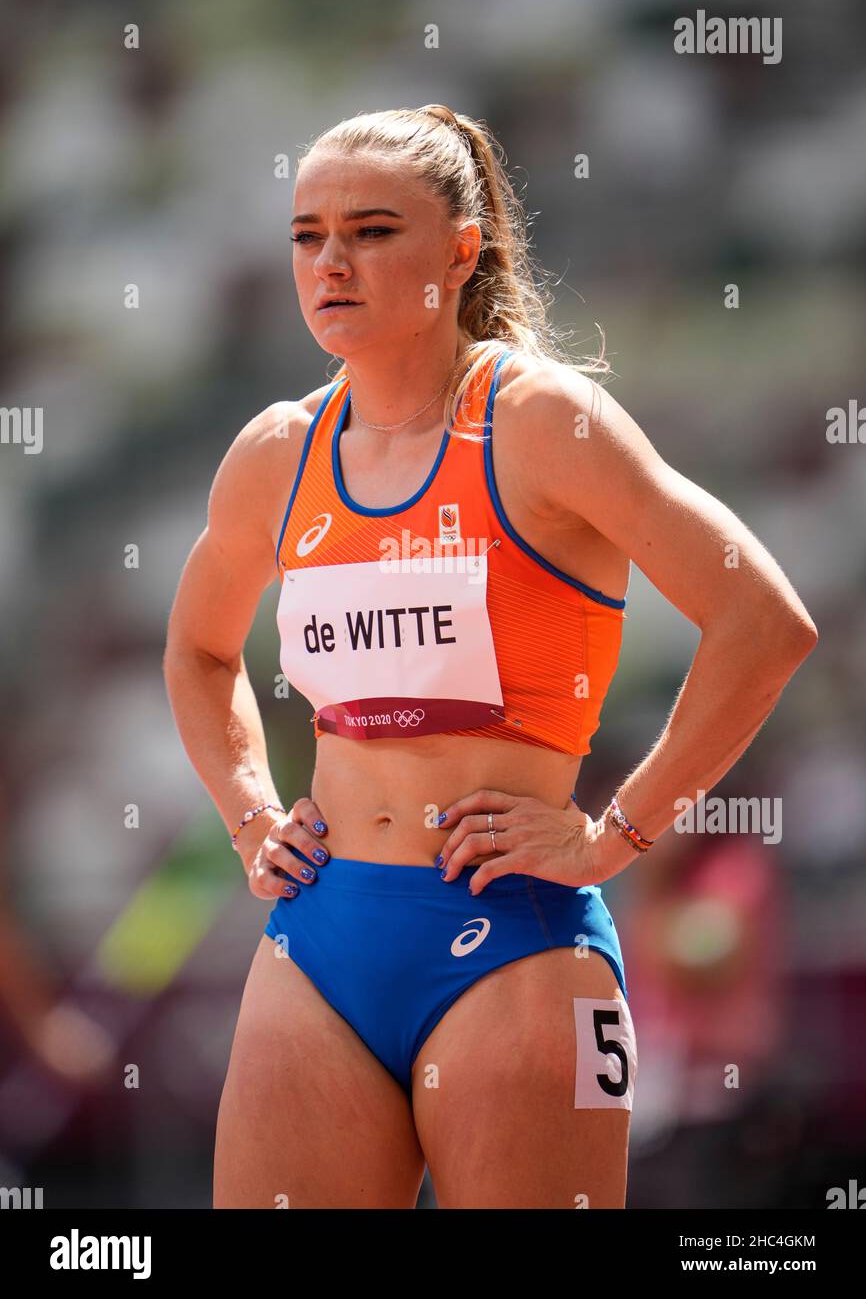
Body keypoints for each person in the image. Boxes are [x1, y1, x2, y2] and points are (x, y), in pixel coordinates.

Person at [163, 104, 818, 1209]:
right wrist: (245, 812)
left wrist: (617, 834)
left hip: (511, 942)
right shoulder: (275, 454)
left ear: (459, 250)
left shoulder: (542, 423)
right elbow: (194, 648)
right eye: (306, 234)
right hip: (319, 935)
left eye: (371, 231)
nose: (330, 261)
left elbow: (764, 621)